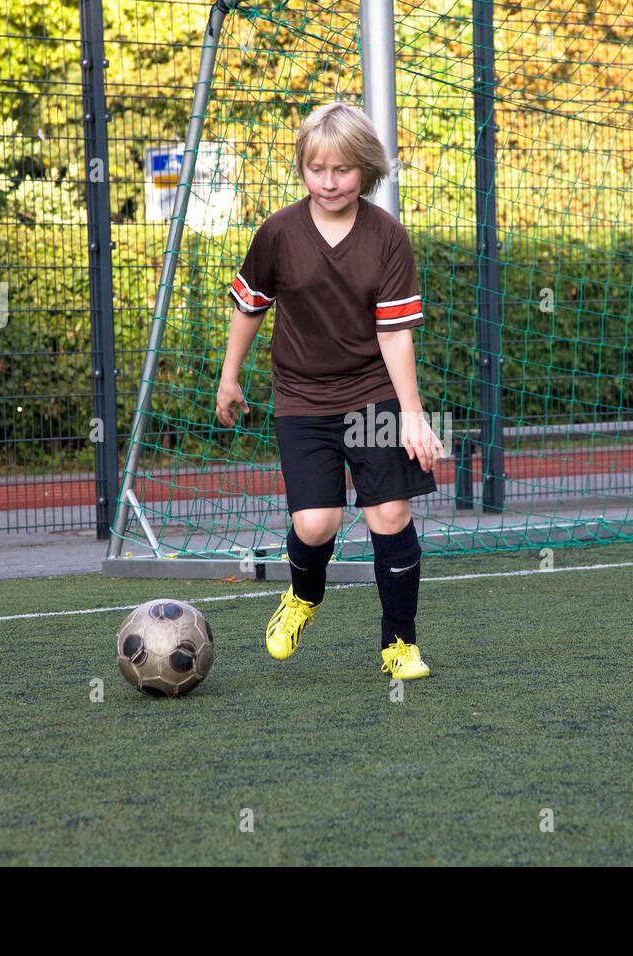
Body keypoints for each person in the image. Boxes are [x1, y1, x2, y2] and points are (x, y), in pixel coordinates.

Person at [216, 102, 445, 680]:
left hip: (373, 394)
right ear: (302, 169)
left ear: (365, 170)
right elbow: (251, 307)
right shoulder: (278, 233)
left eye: (342, 169)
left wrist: (412, 416)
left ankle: (400, 645)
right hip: (302, 398)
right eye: (316, 168)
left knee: (389, 513)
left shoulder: (389, 239)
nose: (328, 181)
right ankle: (303, 596)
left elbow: (394, 334)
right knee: (315, 524)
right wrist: (229, 375)